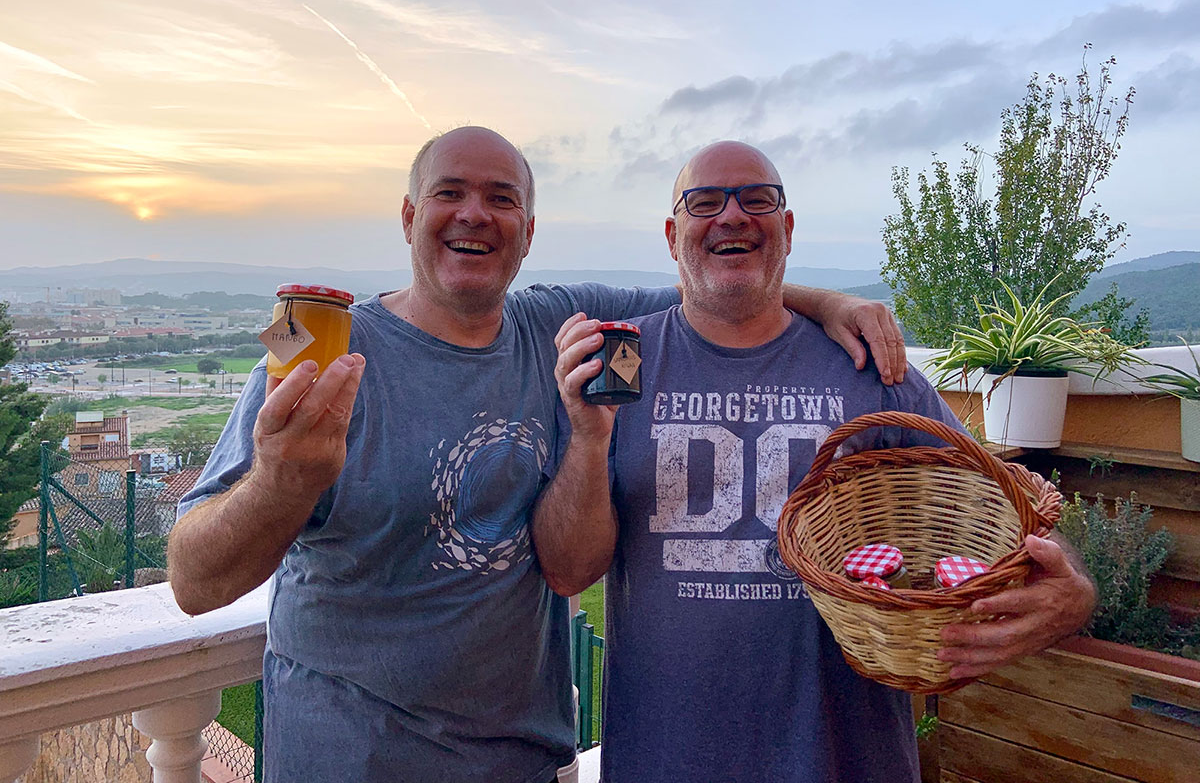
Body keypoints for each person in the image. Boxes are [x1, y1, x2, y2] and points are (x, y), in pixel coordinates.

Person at [167, 126, 909, 783]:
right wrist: (279, 480)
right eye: (449, 193)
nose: (474, 214)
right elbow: (194, 582)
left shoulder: (552, 320)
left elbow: (709, 281)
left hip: (522, 762)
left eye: (501, 198)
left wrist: (830, 303)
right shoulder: (330, 357)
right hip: (346, 762)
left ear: (526, 231)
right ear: (408, 217)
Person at [533, 141, 1098, 782]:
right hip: (665, 761)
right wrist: (586, 439)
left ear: (789, 228)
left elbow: (1011, 513)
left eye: (758, 200)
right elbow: (569, 572)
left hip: (849, 762)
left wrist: (1071, 593)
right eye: (705, 202)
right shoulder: (624, 366)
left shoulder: (871, 368)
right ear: (672, 234)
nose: (732, 216)